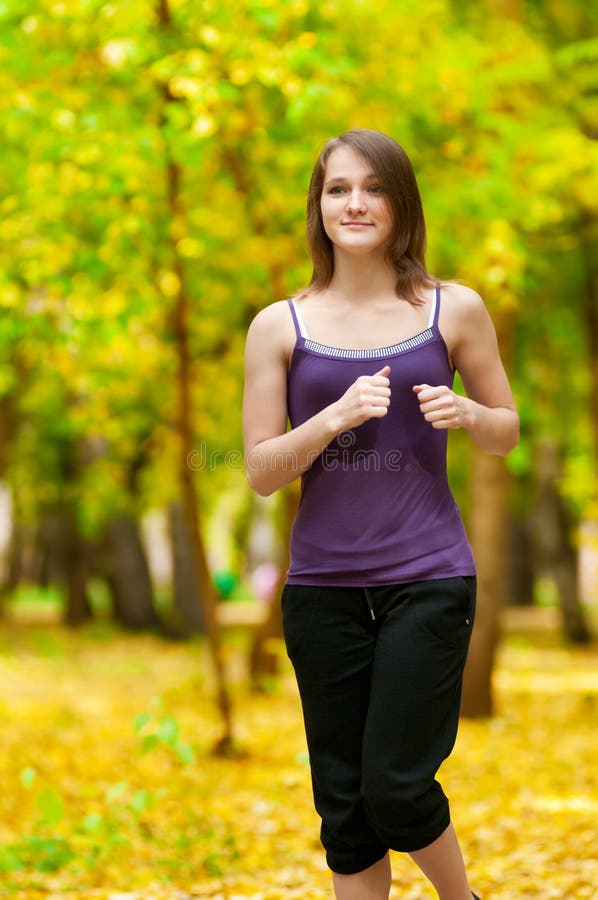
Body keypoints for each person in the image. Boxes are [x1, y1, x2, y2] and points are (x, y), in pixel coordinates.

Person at [242, 128, 518, 900]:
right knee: (347, 810)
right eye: (338, 189)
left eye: (373, 187)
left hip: (427, 579)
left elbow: (507, 430)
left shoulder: (454, 310)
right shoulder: (278, 326)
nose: (355, 203)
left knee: (396, 785)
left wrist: (465, 411)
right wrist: (332, 419)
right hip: (321, 590)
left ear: (401, 204)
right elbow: (261, 471)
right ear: (318, 206)